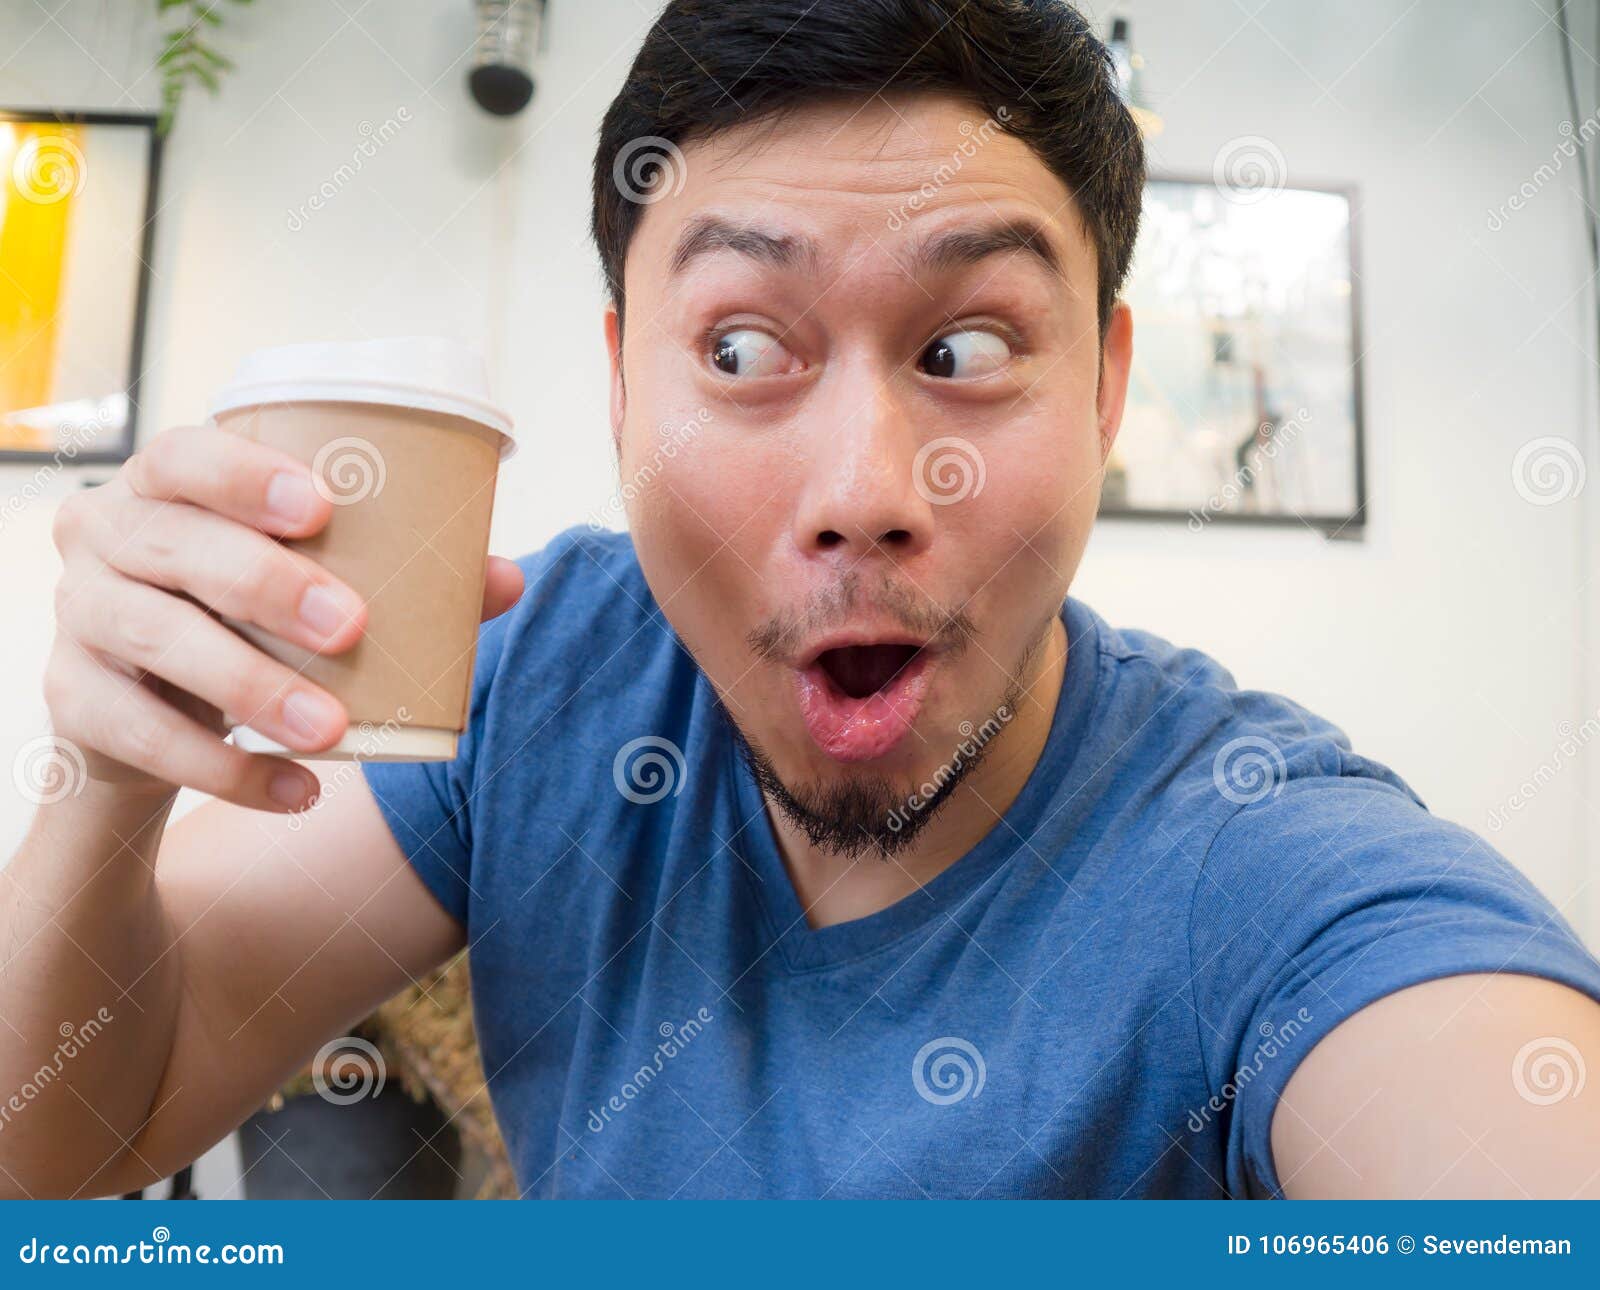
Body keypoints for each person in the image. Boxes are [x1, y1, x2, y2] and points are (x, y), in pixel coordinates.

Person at [5, 0, 1598, 1200]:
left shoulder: (1254, 858)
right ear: (625, 385)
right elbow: (66, 1139)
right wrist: (107, 786)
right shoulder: (546, 675)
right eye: (743, 351)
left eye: (963, 350)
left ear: (1107, 388)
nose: (864, 493)